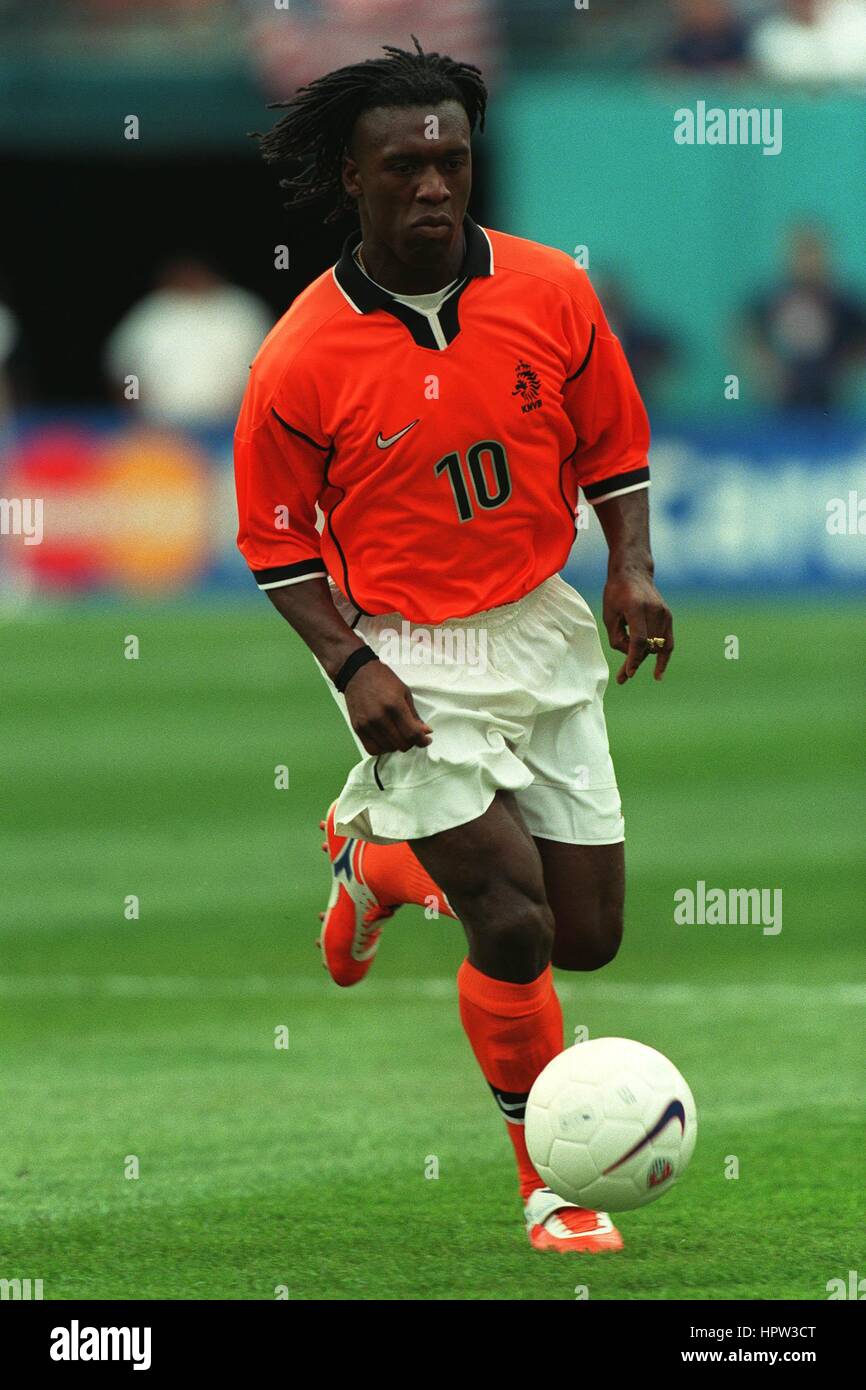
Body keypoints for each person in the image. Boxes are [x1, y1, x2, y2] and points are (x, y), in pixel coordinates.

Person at [234, 38, 674, 1255]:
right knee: (514, 926)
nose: (433, 184)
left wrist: (627, 565)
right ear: (352, 176)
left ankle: (372, 865)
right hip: (405, 651)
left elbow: (610, 444)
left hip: (542, 627)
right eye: (405, 166)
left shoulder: (550, 292)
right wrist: (351, 664)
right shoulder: (297, 359)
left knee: (586, 935)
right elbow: (274, 545)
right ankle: (551, 1185)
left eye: (451, 160)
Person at [104, 256, 273, 427]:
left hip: (230, 426)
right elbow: (122, 372)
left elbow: (270, 370)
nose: (191, 276)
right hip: (160, 427)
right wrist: (132, 419)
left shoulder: (242, 309)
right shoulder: (150, 312)